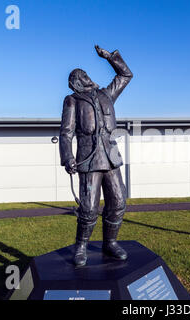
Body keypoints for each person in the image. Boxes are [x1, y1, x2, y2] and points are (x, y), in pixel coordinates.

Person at [59, 45, 133, 267]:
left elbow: (126, 74)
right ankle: (80, 247)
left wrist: (110, 57)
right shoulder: (72, 100)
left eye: (83, 74)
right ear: (76, 83)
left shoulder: (106, 94)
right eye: (78, 76)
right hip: (88, 160)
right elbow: (66, 132)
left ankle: (110, 243)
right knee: (89, 208)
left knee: (119, 201)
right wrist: (68, 157)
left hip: (110, 157)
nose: (83, 77)